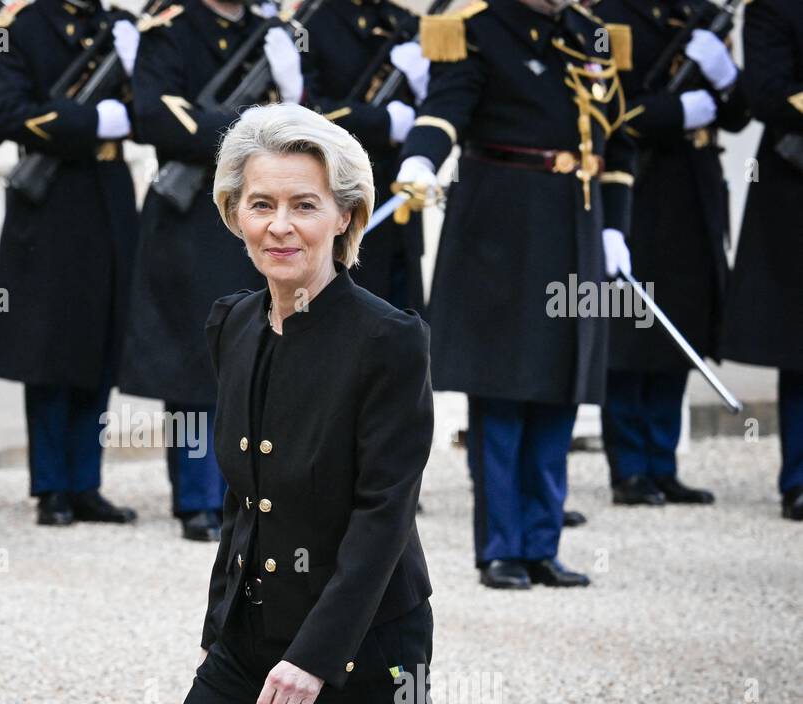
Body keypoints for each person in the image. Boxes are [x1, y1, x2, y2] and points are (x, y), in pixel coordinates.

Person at [125, 102, 435, 704]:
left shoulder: (391, 341)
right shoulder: (230, 322)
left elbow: (381, 519)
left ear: (345, 216)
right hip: (245, 656)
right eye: (261, 204)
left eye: (304, 205)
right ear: (234, 214)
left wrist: (315, 659)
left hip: (363, 663)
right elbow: (245, 499)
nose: (280, 225)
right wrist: (220, 631)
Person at [395, 0, 637, 589]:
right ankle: (501, 547)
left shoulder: (592, 35)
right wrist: (421, 161)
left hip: (574, 221)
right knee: (501, 387)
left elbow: (617, 139)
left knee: (560, 383)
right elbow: (444, 110)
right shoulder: (477, 27)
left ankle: (542, 542)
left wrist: (614, 226)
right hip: (500, 222)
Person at [120, 0, 294, 541]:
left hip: (258, 210)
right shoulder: (168, 31)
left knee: (261, 350)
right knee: (192, 357)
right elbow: (157, 116)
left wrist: (292, 92)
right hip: (190, 214)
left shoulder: (272, 34)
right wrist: (254, 127)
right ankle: (195, 497)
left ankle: (249, 490)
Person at [0, 0, 139, 528]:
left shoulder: (119, 25)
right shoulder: (20, 26)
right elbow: (4, 113)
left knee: (99, 341)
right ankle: (52, 485)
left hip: (109, 194)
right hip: (51, 199)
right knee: (49, 346)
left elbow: (160, 107)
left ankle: (86, 482)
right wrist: (91, 119)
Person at [594, 0, 748, 507]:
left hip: (693, 188)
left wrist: (727, 80)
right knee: (633, 330)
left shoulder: (701, 16)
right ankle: (631, 467)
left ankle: (664, 462)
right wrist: (675, 111)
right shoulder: (612, 16)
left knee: (679, 322)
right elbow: (610, 115)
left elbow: (739, 112)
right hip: (640, 188)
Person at [721, 0, 803, 522]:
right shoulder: (775, 7)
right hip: (795, 186)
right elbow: (769, 93)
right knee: (800, 349)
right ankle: (800, 478)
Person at [302, 0, 427, 311]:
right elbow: (303, 112)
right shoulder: (311, 21)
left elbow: (446, 110)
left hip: (394, 196)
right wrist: (382, 123)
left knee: (401, 316)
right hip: (335, 188)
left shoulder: (404, 22)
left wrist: (424, 87)